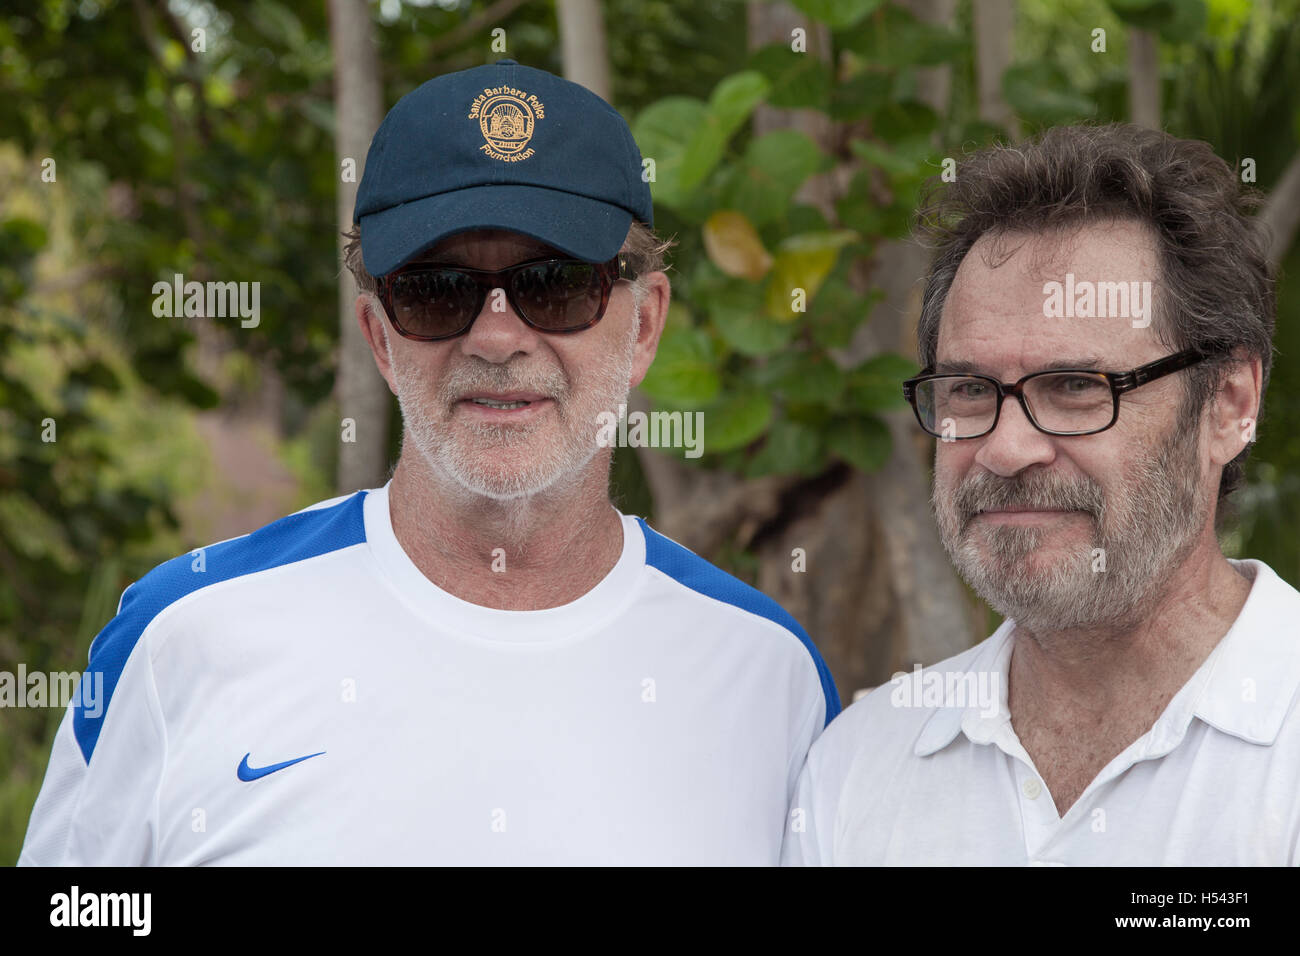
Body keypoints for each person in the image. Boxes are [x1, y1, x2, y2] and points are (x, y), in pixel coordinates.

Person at [20, 60, 839, 866]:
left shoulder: (772, 679)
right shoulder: (180, 640)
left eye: (554, 285)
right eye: (437, 291)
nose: (495, 337)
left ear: (646, 326)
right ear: (378, 335)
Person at [783, 123, 1299, 866]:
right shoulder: (859, 767)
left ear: (1228, 404)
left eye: (1076, 387)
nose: (1005, 447)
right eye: (969, 388)